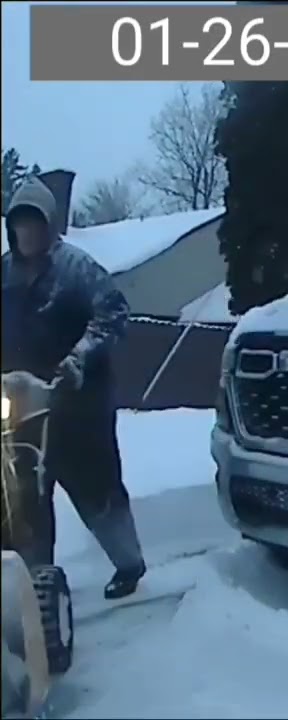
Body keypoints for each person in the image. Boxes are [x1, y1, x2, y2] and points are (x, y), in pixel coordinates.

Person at [1, 177, 147, 599]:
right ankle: (32, 584)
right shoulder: (4, 273)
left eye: (35, 223)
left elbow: (113, 313)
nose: (28, 233)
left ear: (49, 225)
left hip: (79, 402)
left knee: (95, 487)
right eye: (20, 224)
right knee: (22, 496)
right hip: (21, 404)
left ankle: (128, 561)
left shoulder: (76, 268)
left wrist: (79, 359)